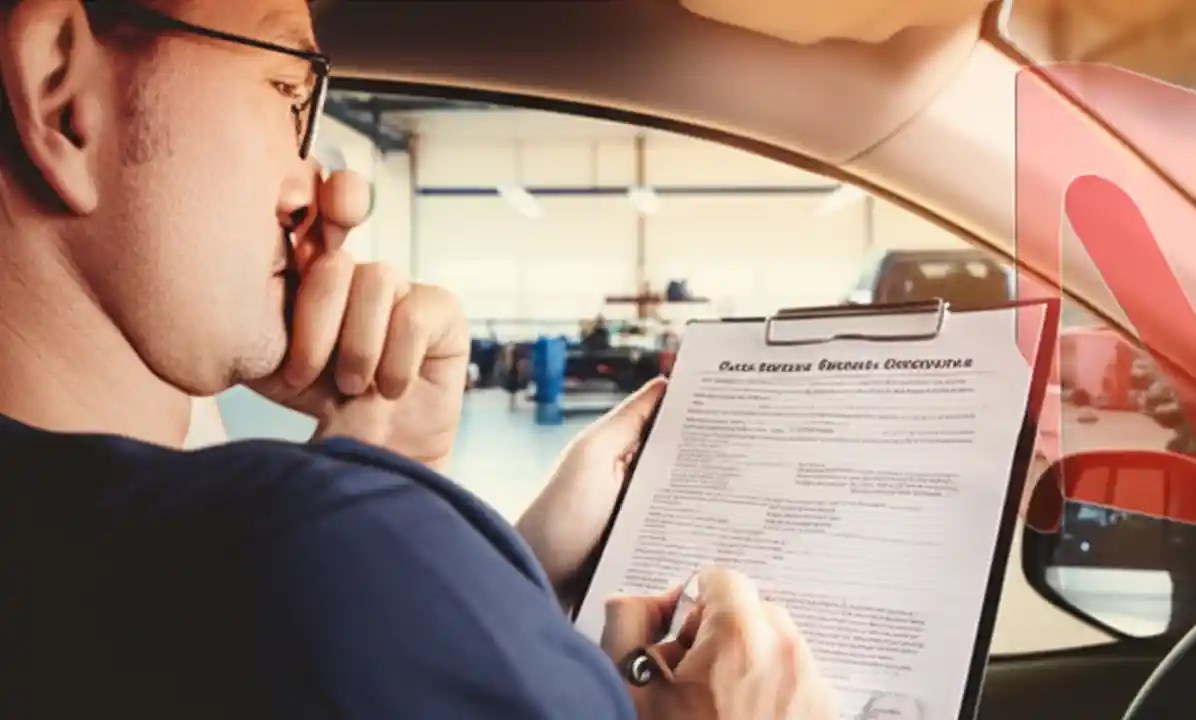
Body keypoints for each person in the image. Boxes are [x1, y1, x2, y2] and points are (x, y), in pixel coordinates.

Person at [0, 1, 837, 719]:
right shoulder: (301, 550)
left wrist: (411, 487)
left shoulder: (101, 569)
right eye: (290, 89)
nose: (329, 191)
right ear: (58, 90)